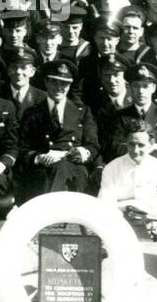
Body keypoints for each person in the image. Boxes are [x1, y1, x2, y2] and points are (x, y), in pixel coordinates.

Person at [15, 58, 99, 201]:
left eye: (64, 83)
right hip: (43, 168)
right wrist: (38, 157)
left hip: (74, 168)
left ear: (70, 85)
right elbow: (22, 149)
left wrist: (83, 152)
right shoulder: (32, 113)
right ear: (46, 82)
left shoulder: (82, 112)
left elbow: (93, 145)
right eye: (54, 81)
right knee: (50, 173)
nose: (59, 87)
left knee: (63, 169)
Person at [97, 118, 157, 240]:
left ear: (151, 144)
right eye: (132, 144)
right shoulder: (112, 168)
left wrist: (153, 218)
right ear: (126, 143)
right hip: (120, 223)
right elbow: (105, 204)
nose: (135, 150)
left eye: (141, 145)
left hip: (152, 223)